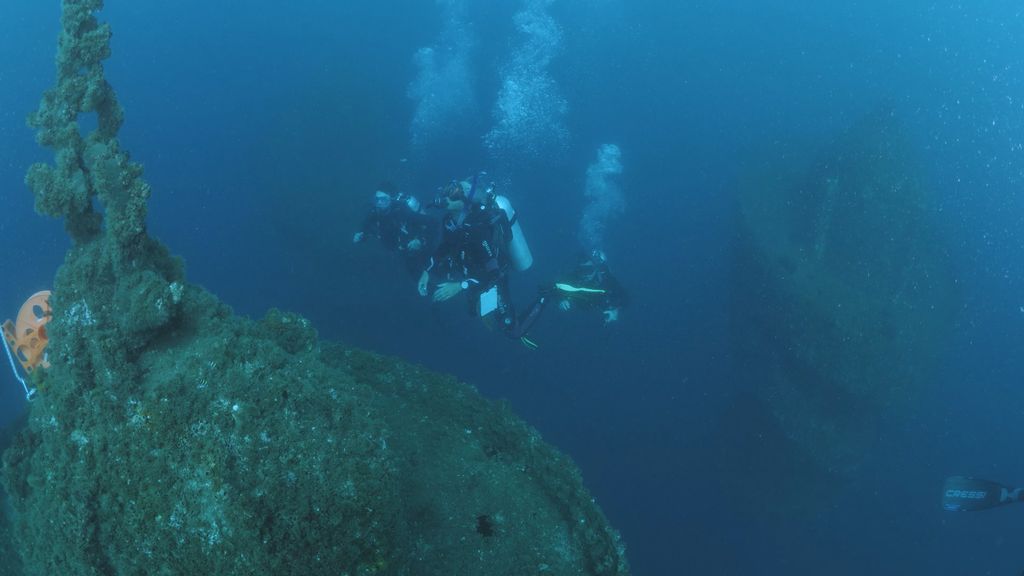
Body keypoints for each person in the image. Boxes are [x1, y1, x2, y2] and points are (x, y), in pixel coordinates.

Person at [420, 177, 546, 347]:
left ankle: (547, 295)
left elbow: (493, 274)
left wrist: (460, 286)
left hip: (492, 280)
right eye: (447, 192)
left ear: (465, 202)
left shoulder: (478, 229)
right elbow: (444, 246)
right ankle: (485, 305)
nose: (446, 199)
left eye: (454, 195)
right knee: (477, 312)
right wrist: (427, 270)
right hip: (472, 276)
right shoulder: (449, 221)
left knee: (511, 329)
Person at [353, 189, 438, 274]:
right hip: (399, 253)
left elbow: (433, 222)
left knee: (429, 271)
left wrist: (420, 240)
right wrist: (361, 236)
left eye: (383, 199)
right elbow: (366, 227)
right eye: (377, 199)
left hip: (417, 250)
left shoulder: (403, 212)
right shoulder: (374, 212)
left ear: (390, 200)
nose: (379, 202)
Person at [554, 249, 627, 324]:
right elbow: (555, 288)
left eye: (589, 270)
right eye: (582, 270)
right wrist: (561, 300)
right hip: (577, 318)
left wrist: (616, 310)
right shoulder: (574, 277)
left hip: (600, 314)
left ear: (596, 268)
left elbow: (625, 298)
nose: (586, 275)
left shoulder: (605, 279)